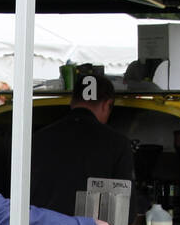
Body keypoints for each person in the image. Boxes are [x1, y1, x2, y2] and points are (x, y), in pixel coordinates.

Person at [29, 72, 135, 216]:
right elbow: (125, 212)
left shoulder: (37, 139)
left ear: (72, 101)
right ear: (107, 104)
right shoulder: (119, 144)